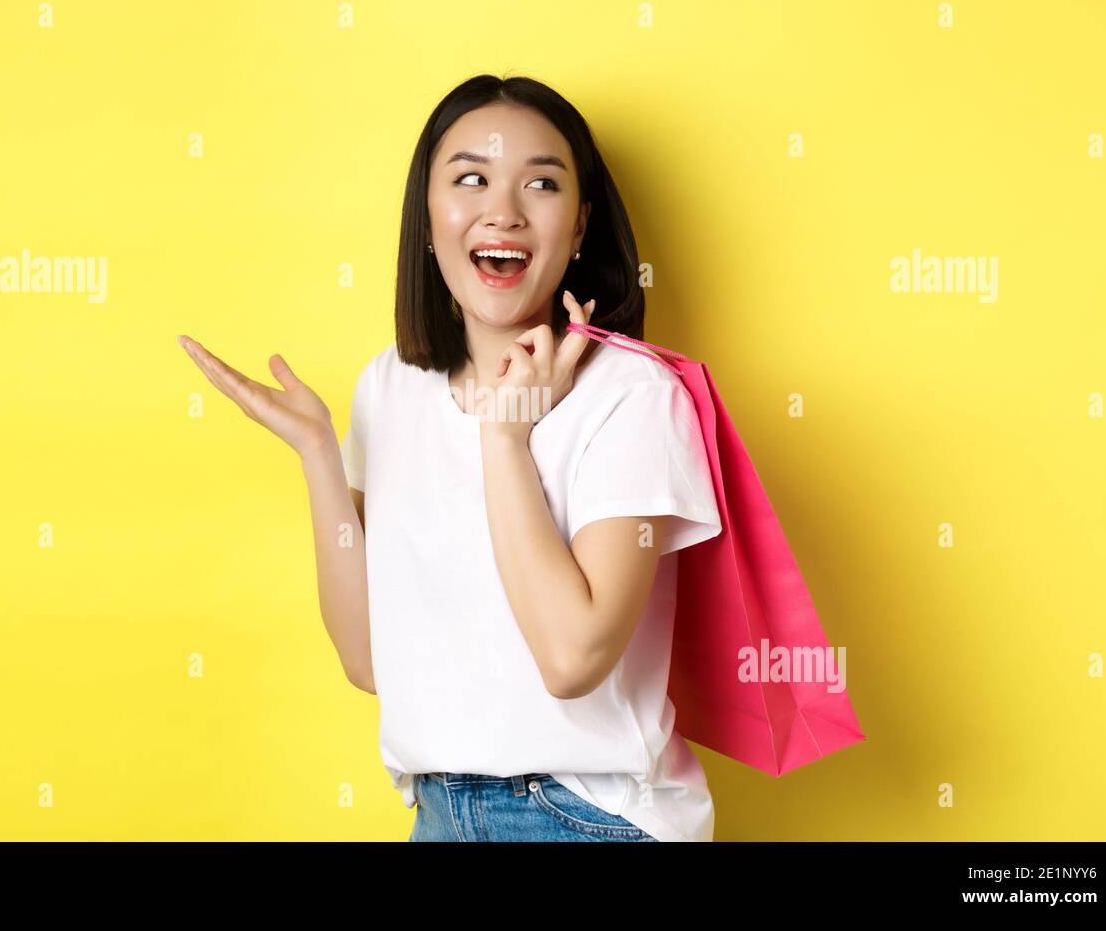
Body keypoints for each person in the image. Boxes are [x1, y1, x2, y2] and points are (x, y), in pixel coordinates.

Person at [177, 74, 722, 842]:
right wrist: (319, 458)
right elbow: (370, 662)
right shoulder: (389, 387)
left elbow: (571, 659)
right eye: (471, 178)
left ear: (579, 228)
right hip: (438, 815)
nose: (504, 209)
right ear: (428, 224)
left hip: (588, 819)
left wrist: (505, 435)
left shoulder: (633, 395)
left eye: (542, 183)